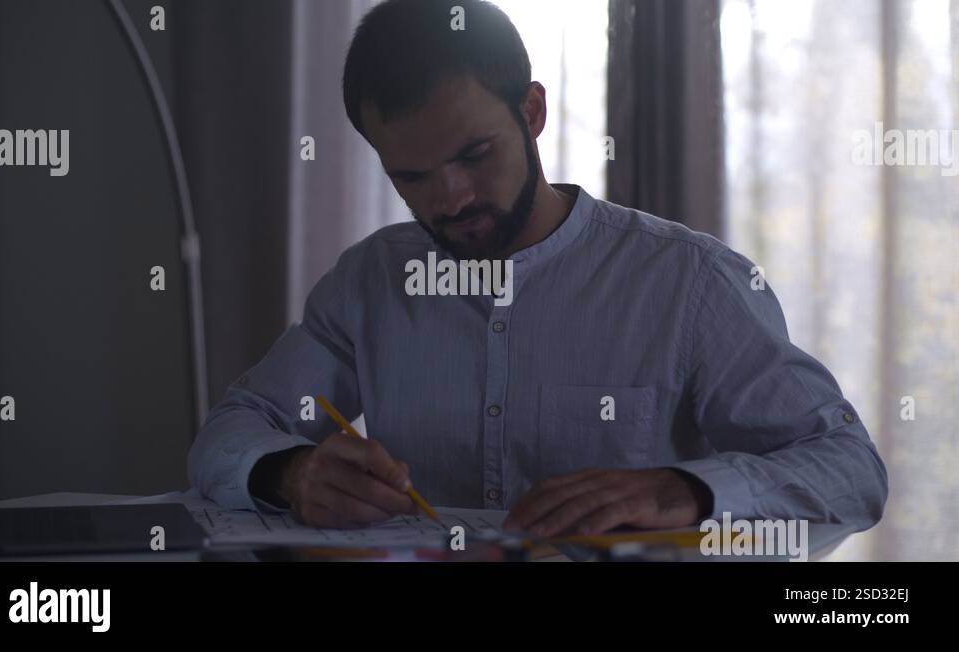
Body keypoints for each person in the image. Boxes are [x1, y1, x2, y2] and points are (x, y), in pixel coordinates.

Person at [188, 0, 887, 537]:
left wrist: (683, 491)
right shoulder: (371, 283)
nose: (450, 199)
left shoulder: (689, 282)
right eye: (413, 176)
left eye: (473, 155)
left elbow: (852, 471)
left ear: (533, 111)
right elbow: (232, 429)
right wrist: (290, 472)